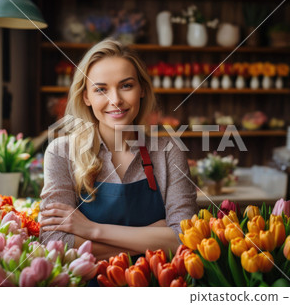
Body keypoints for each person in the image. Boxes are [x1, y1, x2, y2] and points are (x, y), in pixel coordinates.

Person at [39, 38, 198, 260]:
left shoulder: (169, 152)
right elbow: (54, 242)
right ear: (86, 97)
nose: (115, 100)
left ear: (141, 89)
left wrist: (92, 230)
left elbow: (185, 237)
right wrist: (157, 234)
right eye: (100, 89)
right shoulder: (61, 153)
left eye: (126, 86)